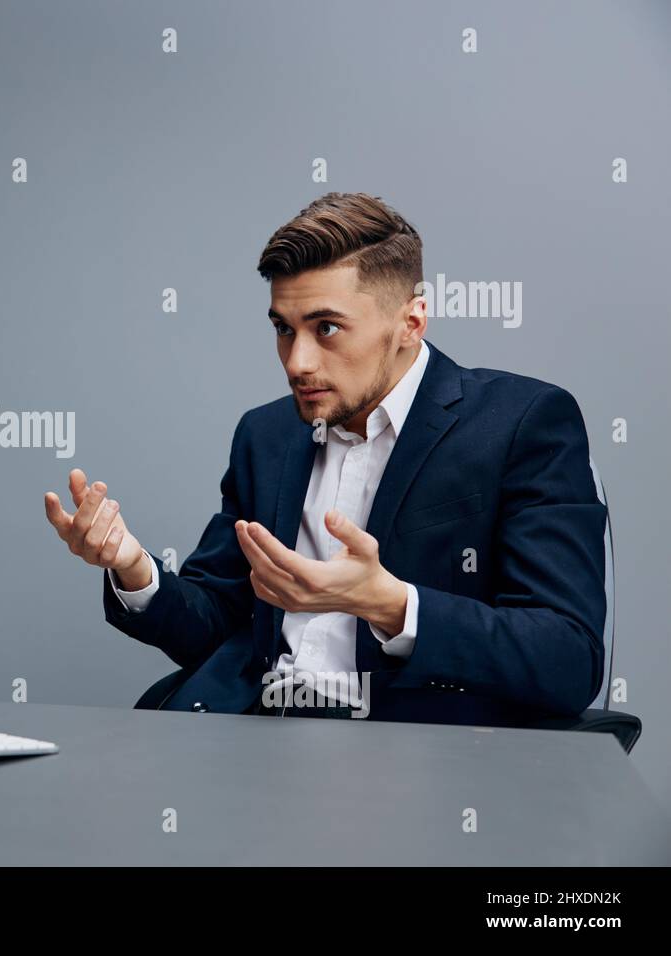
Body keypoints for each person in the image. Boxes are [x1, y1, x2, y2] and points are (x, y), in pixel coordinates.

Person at [43, 192, 607, 725]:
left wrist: (389, 604)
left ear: (411, 323)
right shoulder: (266, 434)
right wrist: (134, 569)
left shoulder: (521, 423)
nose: (297, 361)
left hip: (417, 765)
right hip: (251, 742)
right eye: (283, 330)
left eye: (327, 327)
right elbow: (215, 621)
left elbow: (566, 658)